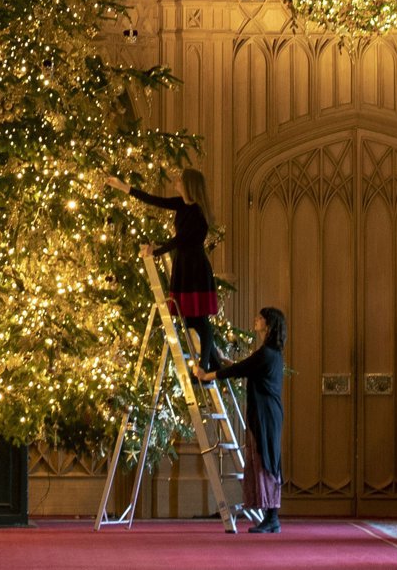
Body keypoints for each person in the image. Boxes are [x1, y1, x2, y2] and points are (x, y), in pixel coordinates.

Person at [108, 167, 222, 371]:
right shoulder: (181, 204)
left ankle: (205, 366)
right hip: (184, 266)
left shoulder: (197, 212)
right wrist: (124, 187)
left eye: (180, 180)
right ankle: (214, 363)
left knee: (199, 318)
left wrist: (157, 250)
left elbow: (181, 239)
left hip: (194, 268)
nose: (176, 182)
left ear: (189, 185)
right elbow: (153, 200)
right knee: (190, 319)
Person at [195, 307, 287, 534]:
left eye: (260, 318)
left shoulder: (266, 353)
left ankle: (272, 518)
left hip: (265, 414)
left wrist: (209, 375)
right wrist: (224, 363)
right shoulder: (270, 353)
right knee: (263, 458)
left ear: (268, 324)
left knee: (266, 460)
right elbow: (247, 366)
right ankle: (270, 517)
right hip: (266, 412)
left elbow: (242, 368)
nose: (255, 320)